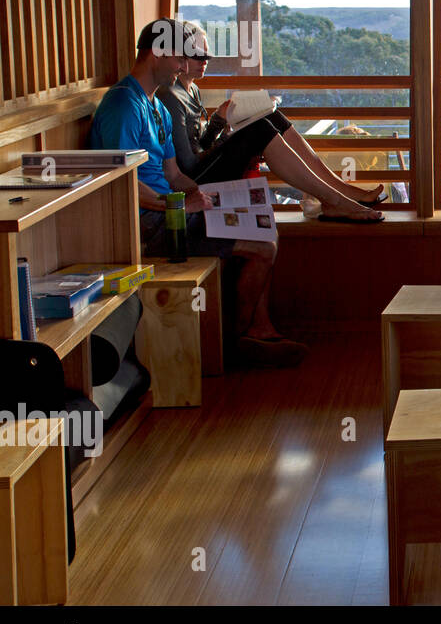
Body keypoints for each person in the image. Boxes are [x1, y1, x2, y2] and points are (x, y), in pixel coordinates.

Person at [90, 19, 303, 367]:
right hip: (153, 224)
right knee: (263, 247)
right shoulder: (123, 106)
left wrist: (212, 196)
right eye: (178, 57)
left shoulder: (156, 108)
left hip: (173, 210)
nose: (182, 67)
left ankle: (257, 331)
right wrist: (180, 206)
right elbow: (119, 184)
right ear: (157, 53)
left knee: (260, 221)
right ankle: (237, 343)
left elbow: (173, 173)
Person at [157, 22, 383, 223]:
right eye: (197, 55)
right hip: (194, 180)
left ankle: (340, 190)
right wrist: (224, 132)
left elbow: (201, 144)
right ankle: (333, 200)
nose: (205, 61)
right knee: (260, 131)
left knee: (271, 116)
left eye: (207, 55)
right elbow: (188, 165)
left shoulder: (192, 90)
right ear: (181, 55)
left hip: (203, 166)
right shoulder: (171, 96)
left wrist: (218, 120)